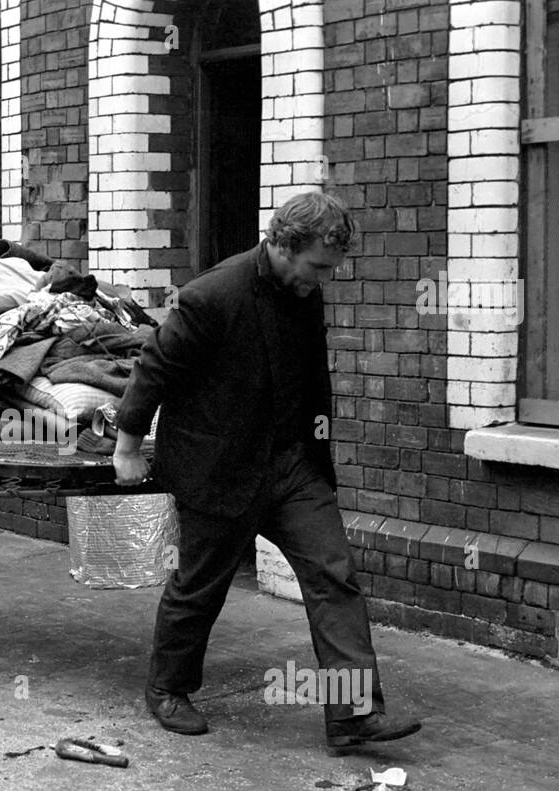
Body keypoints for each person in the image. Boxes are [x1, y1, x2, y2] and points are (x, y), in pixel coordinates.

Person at [114, 191, 422, 753]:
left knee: (333, 577)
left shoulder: (304, 291)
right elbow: (153, 367)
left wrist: (316, 448)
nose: (325, 279)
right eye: (319, 267)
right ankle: (168, 689)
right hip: (219, 466)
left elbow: (308, 376)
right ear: (282, 246)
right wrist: (128, 446)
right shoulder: (212, 295)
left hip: (290, 466)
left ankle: (353, 716)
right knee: (201, 584)